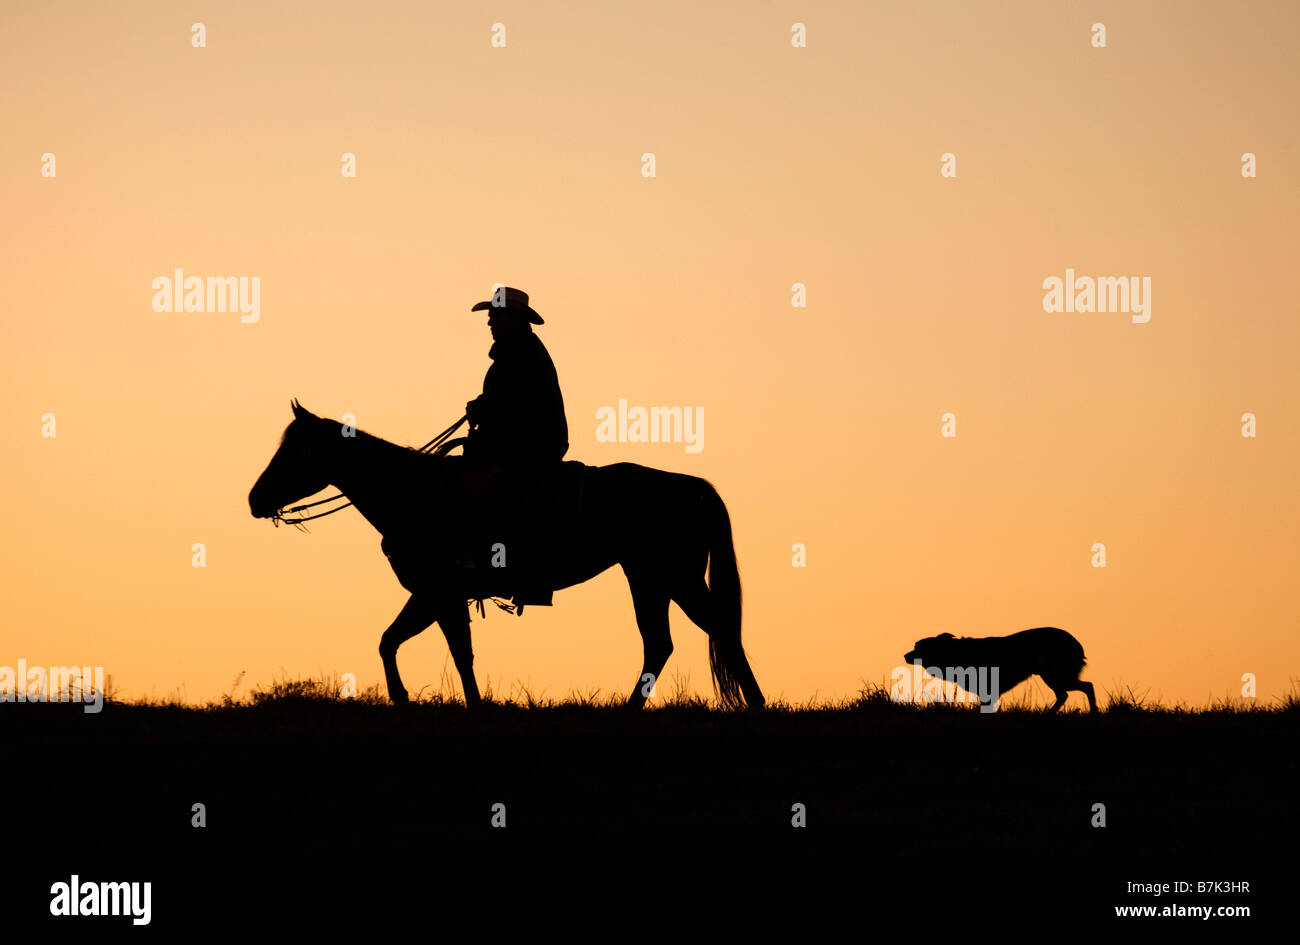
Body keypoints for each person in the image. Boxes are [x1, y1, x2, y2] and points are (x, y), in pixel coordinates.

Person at [461, 286, 568, 607]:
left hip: (533, 445)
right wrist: (484, 405)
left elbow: (518, 406)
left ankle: (501, 567)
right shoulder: (518, 351)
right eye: (490, 316)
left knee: (492, 492)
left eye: (494, 316)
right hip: (524, 441)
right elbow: (507, 399)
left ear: (513, 319)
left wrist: (485, 409)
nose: (489, 323)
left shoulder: (521, 353)